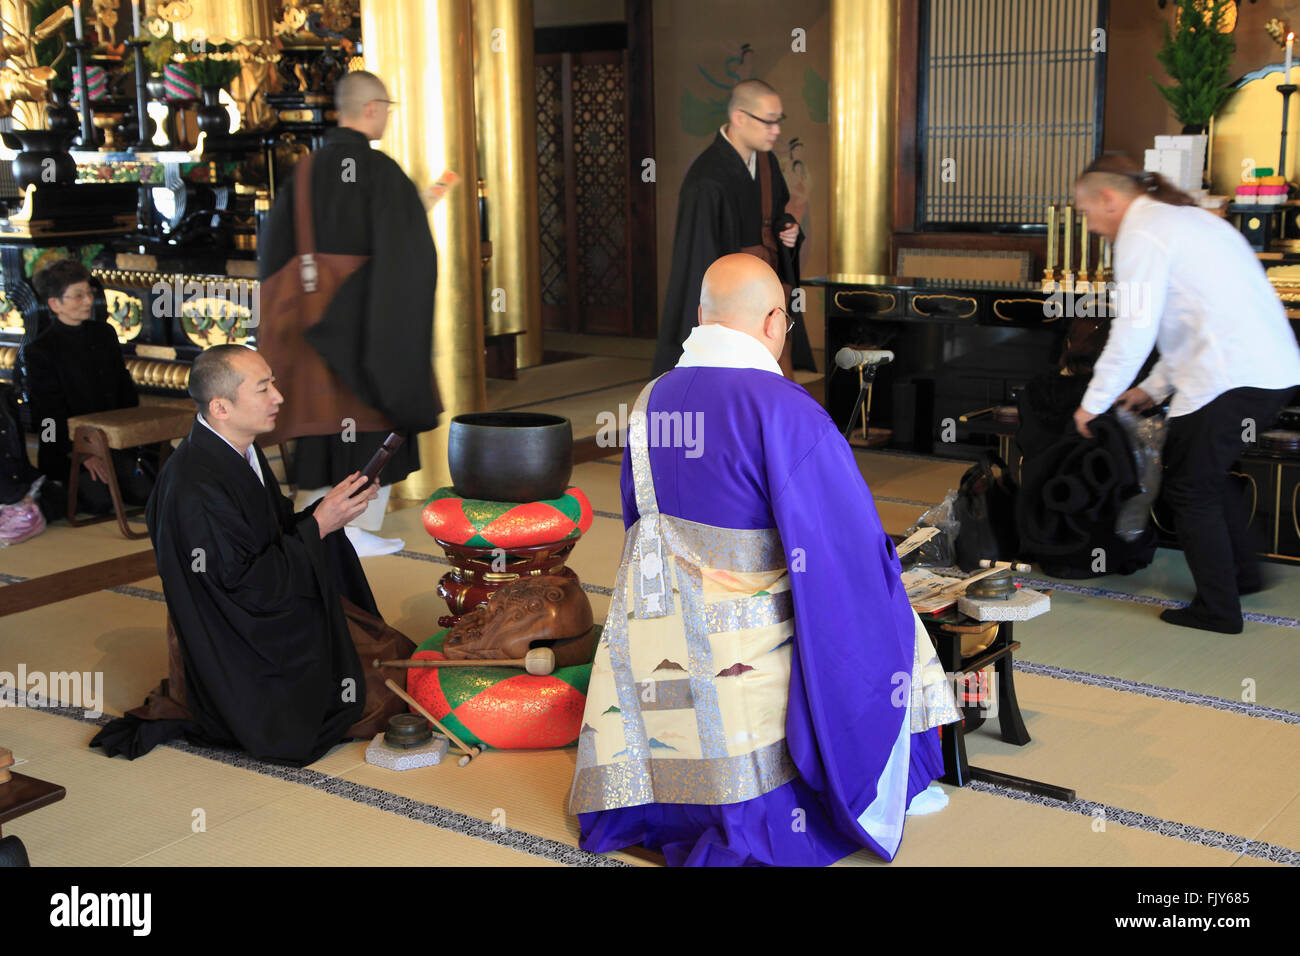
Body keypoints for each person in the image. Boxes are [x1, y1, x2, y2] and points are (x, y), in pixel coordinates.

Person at [571, 253, 957, 866]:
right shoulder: (785, 409)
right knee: (884, 604)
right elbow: (839, 542)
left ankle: (656, 797)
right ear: (776, 322)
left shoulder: (649, 399)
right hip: (748, 628)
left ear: (702, 317)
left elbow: (638, 517)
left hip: (658, 619)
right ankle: (882, 786)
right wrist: (881, 569)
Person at [91, 345, 378, 766]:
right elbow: (247, 586)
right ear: (221, 407)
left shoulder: (239, 449)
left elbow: (274, 532)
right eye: (263, 389)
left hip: (254, 594)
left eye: (273, 383)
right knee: (333, 699)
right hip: (235, 632)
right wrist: (318, 525)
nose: (278, 397)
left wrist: (329, 512)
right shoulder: (195, 486)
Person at [1073, 154, 1300, 634]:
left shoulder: (1143, 233)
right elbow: (1190, 321)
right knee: (1208, 478)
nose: (1090, 226)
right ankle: (1242, 577)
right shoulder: (1187, 219)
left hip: (1230, 375)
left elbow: (1134, 330)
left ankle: (1218, 610)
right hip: (1269, 370)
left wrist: (1094, 401)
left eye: (1087, 212)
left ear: (1109, 198)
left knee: (1190, 489)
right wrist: (1152, 389)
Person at [258, 69, 442, 557]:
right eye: (386, 106)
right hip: (368, 329)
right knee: (369, 423)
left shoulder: (301, 173)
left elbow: (272, 257)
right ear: (371, 108)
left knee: (324, 427)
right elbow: (409, 260)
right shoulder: (381, 173)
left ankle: (323, 525)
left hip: (311, 328)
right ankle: (354, 528)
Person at [651, 79, 815, 378]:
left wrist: (788, 230)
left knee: (779, 356)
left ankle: (777, 417)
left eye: (779, 121)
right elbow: (700, 254)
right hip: (734, 294)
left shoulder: (765, 163)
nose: (776, 130)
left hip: (770, 282)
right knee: (739, 368)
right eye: (768, 122)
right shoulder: (707, 178)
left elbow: (777, 212)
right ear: (740, 118)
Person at [22, 258, 154, 515]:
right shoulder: (40, 350)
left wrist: (130, 435)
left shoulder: (104, 334)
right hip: (70, 449)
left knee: (144, 492)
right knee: (99, 503)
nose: (87, 301)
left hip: (115, 441)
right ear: (54, 304)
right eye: (77, 295)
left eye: (88, 293)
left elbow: (125, 392)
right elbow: (47, 417)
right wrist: (81, 455)